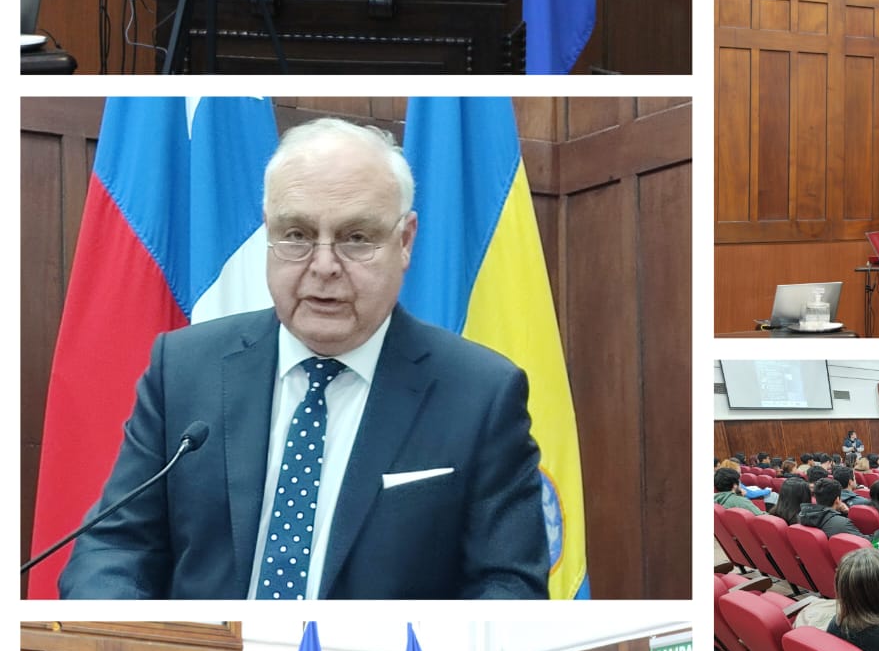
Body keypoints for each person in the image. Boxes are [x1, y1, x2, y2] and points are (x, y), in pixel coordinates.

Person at [59, 119, 548, 600]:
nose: (324, 266)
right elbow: (113, 547)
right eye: (296, 234)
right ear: (268, 233)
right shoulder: (185, 369)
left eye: (357, 237)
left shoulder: (480, 394)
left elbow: (509, 585)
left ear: (404, 242)